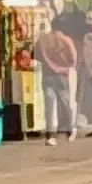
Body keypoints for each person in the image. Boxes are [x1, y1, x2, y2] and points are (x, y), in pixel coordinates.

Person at [32, 11, 85, 143]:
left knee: (49, 105)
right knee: (65, 102)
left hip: (47, 75)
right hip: (62, 75)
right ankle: (69, 130)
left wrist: (47, 63)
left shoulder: (42, 39)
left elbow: (36, 55)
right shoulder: (66, 40)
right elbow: (74, 58)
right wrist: (66, 66)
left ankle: (50, 134)